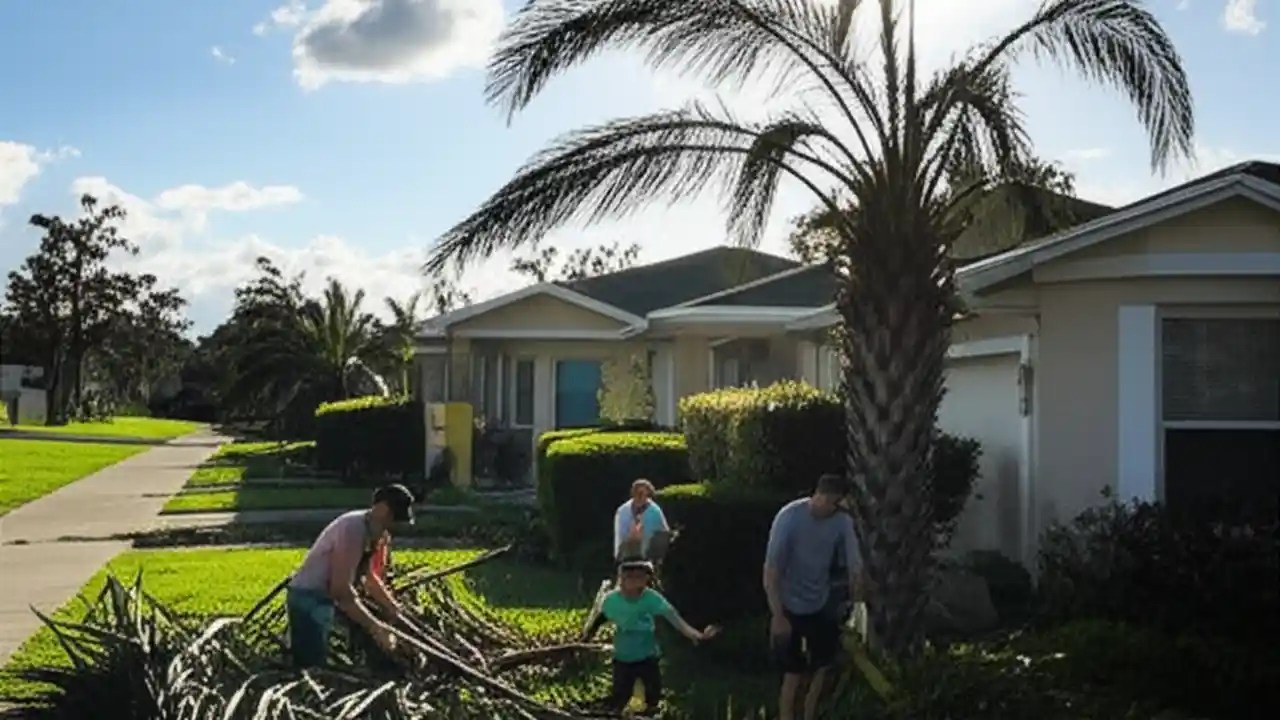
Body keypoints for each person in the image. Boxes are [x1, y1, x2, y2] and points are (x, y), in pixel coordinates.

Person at [763, 473, 865, 720]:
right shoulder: (789, 518)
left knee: (821, 667)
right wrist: (778, 614)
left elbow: (855, 566)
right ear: (822, 496)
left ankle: (809, 715)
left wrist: (858, 604)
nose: (835, 509)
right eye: (834, 503)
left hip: (819, 601)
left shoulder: (841, 521)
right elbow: (771, 570)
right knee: (793, 673)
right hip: (788, 603)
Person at [284, 483, 416, 669]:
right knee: (313, 669)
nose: (392, 527)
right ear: (382, 510)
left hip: (324, 599)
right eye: (392, 519)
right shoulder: (353, 529)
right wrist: (376, 628)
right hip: (310, 599)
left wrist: (392, 607)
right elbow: (341, 590)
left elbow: (369, 577)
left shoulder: (372, 531)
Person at [583, 560, 719, 715]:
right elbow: (600, 619)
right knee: (620, 696)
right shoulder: (612, 600)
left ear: (645, 580)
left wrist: (696, 635)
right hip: (623, 656)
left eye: (637, 577)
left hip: (647, 656)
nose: (630, 581)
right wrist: (587, 637)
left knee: (653, 695)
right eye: (626, 577)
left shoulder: (651, 599)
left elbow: (674, 618)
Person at [613, 478, 670, 562]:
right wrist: (631, 537)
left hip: (649, 557)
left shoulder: (655, 511)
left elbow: (663, 534)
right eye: (637, 493)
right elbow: (620, 535)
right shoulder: (623, 511)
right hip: (626, 556)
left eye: (643, 493)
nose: (640, 496)